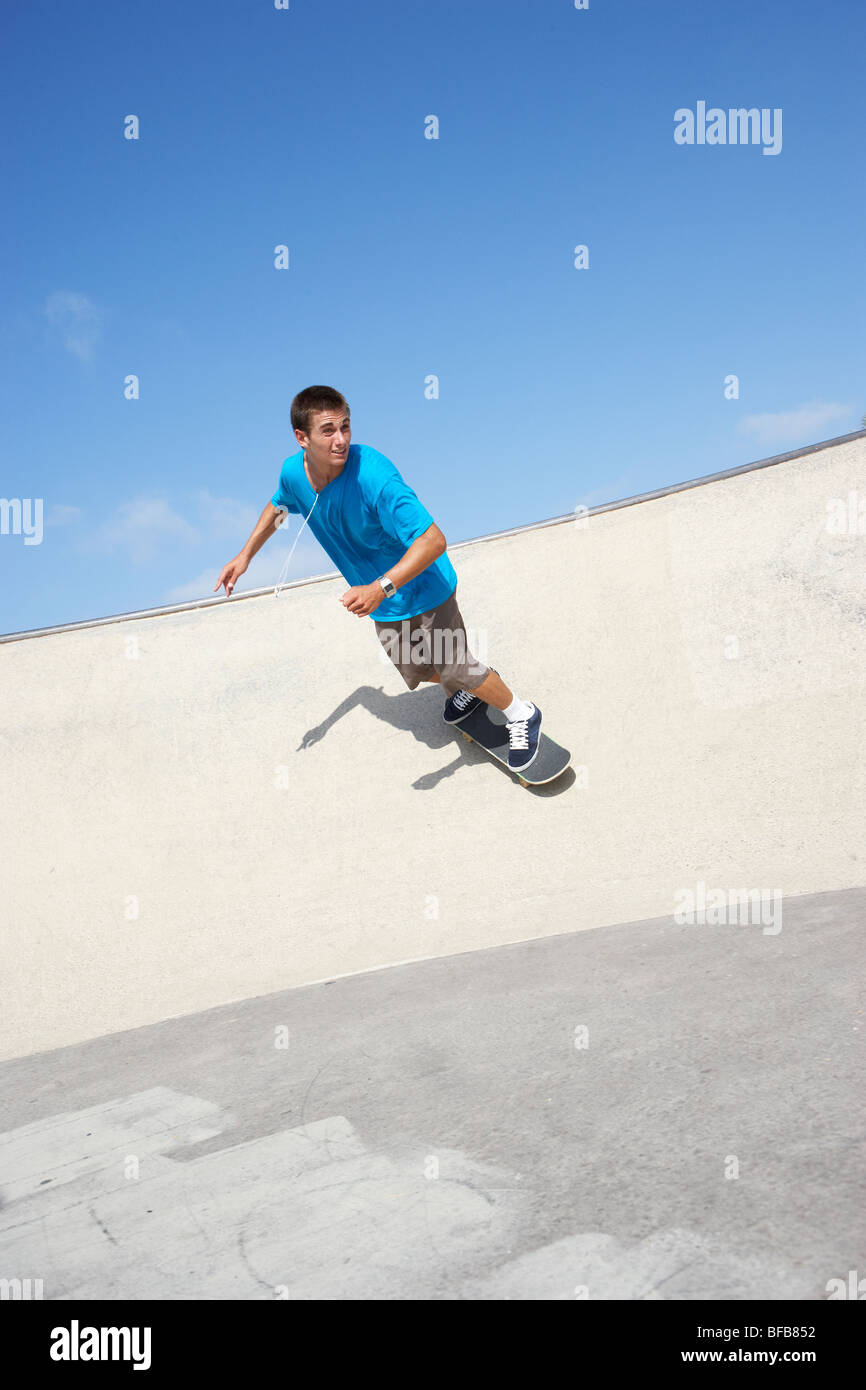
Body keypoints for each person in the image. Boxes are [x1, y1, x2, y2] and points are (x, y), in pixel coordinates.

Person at [214, 385, 542, 770]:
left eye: (346, 427)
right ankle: (468, 687)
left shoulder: (374, 476)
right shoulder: (293, 473)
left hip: (424, 585)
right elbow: (278, 506)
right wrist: (245, 555)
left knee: (456, 665)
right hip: (383, 603)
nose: (341, 440)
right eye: (328, 430)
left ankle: (522, 713)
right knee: (414, 668)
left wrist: (380, 587)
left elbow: (434, 540)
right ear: (302, 438)